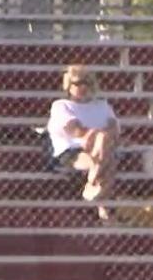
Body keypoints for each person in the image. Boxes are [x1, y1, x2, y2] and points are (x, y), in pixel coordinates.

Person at [46, 65, 119, 221]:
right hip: (73, 151)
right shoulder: (61, 106)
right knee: (108, 158)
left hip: (102, 149)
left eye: (87, 83)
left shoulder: (102, 105)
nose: (83, 87)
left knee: (105, 141)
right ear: (69, 86)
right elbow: (74, 130)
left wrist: (97, 137)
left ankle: (93, 181)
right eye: (78, 83)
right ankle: (103, 207)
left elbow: (114, 129)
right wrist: (94, 134)